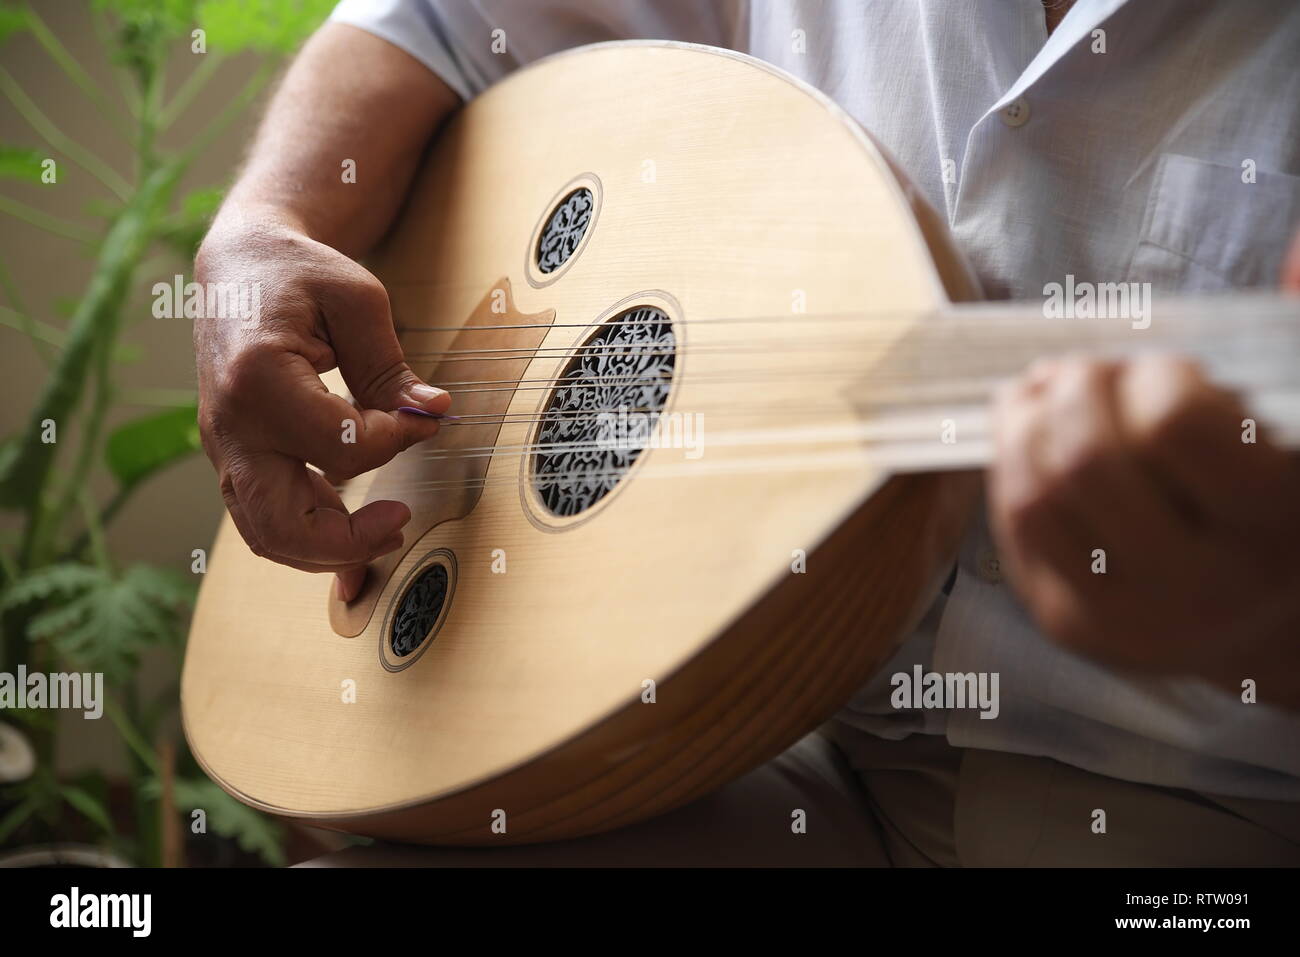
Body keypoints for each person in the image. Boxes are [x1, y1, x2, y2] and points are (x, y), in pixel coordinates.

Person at [194, 0, 1300, 866]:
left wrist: (1264, 628)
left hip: (1202, 825)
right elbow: (437, 22)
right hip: (767, 740)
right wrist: (263, 227)